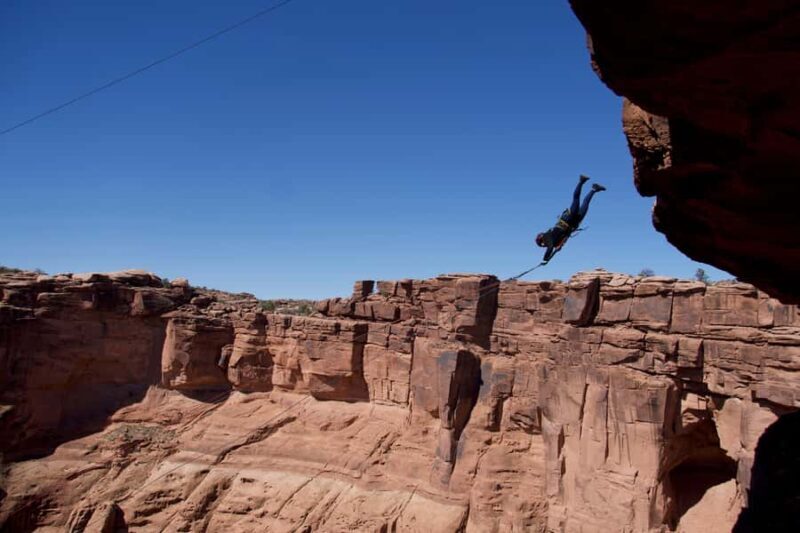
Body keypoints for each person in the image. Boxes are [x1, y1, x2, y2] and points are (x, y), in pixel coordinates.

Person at [535, 175, 606, 263]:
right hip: (573, 223)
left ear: (541, 241)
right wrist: (559, 247)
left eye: (542, 245)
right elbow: (563, 238)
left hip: (567, 220)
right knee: (585, 204)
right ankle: (594, 189)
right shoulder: (554, 241)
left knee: (576, 200)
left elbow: (550, 247)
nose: (544, 246)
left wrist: (545, 259)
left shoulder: (547, 237)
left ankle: (581, 181)